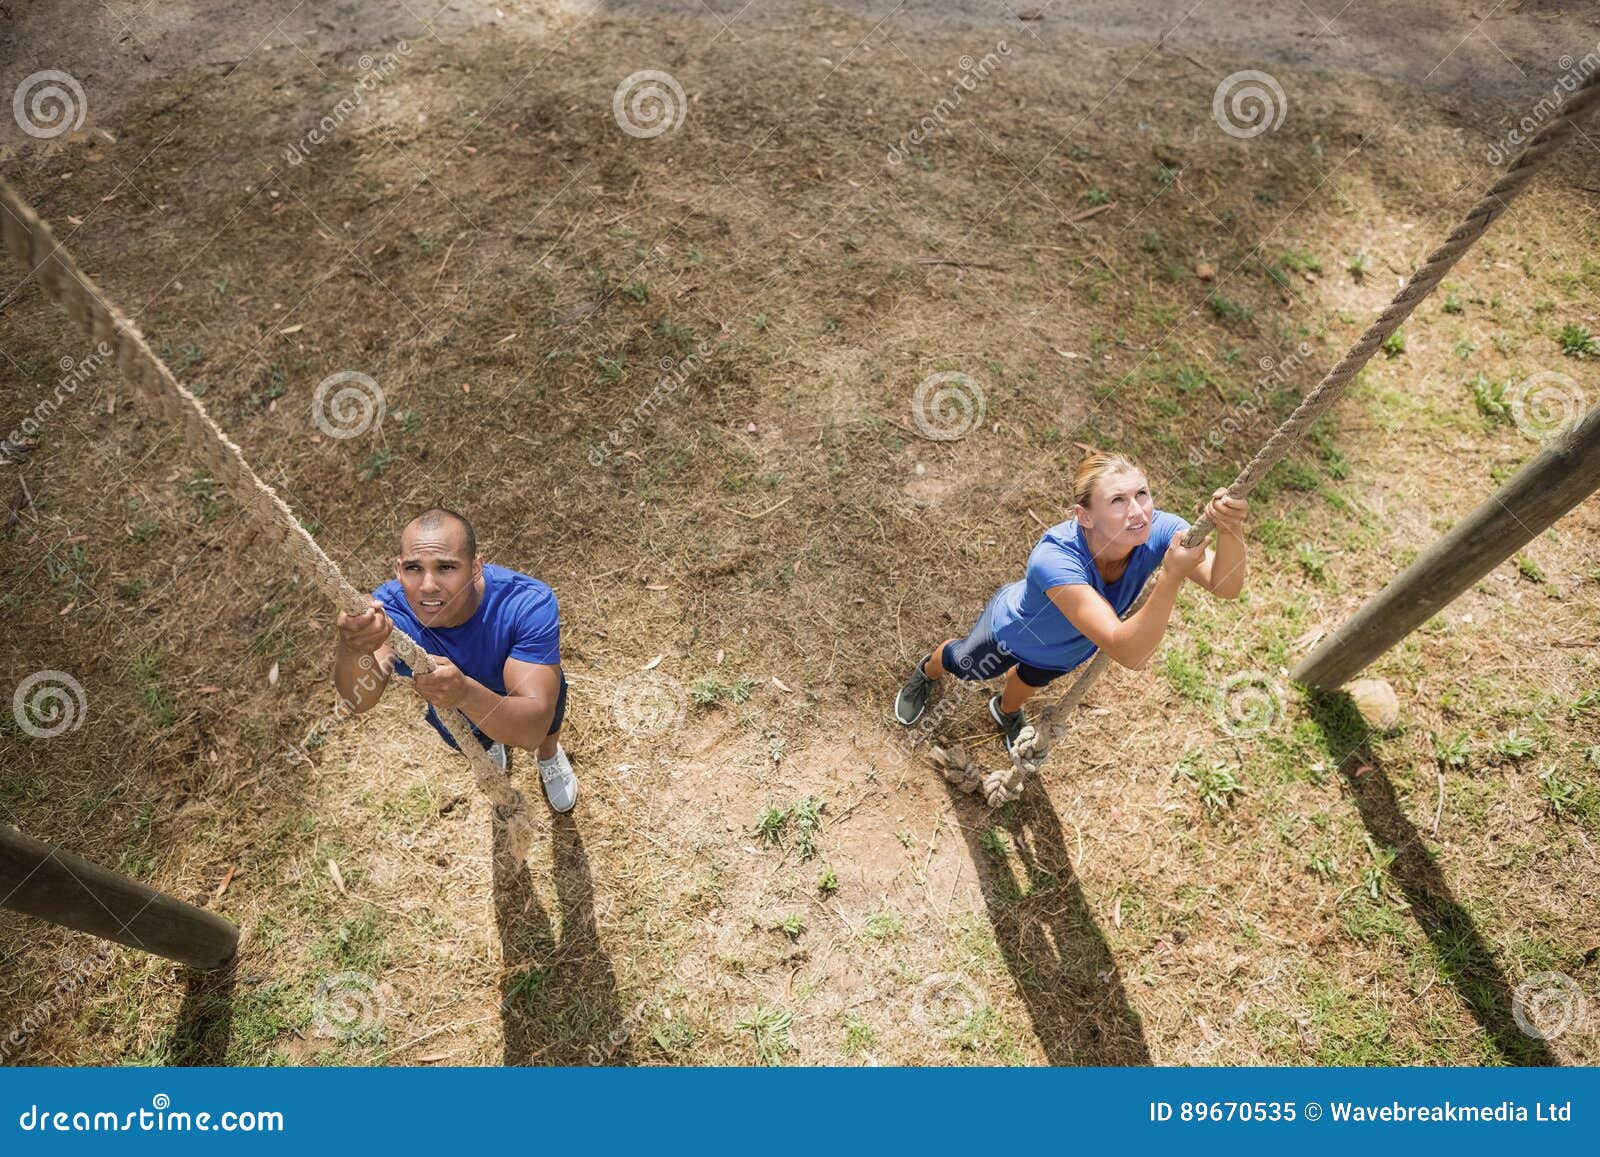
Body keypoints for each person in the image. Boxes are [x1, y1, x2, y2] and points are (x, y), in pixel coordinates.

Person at [893, 450, 1249, 754]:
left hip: (1065, 651)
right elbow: (1130, 654)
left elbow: (1226, 585)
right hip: (1011, 632)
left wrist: (1230, 527)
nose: (1138, 512)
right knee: (967, 665)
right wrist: (1171, 576)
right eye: (1117, 501)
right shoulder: (1054, 560)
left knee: (1029, 681)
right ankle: (927, 671)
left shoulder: (1159, 529)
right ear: (1085, 516)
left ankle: (1005, 711)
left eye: (1142, 493)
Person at [331, 507, 577, 811]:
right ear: (398, 570)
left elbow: (530, 731)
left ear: (475, 569)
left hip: (522, 704)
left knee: (545, 733)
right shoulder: (388, 615)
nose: (428, 585)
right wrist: (354, 646)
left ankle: (549, 757)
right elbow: (359, 700)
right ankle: (491, 744)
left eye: (446, 567)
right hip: (459, 712)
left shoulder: (527, 603)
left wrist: (465, 692)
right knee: (479, 739)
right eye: (413, 568)